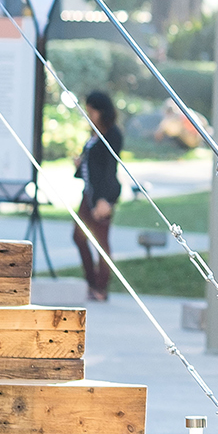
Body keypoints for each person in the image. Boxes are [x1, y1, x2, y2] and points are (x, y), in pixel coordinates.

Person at [73, 92, 124, 304]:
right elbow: (91, 164)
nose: (88, 115)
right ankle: (91, 282)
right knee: (78, 237)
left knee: (101, 242)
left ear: (101, 111)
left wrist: (106, 200)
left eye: (91, 111)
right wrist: (79, 164)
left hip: (103, 196)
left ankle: (101, 286)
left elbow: (109, 169)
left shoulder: (112, 134)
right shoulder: (93, 134)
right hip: (88, 194)